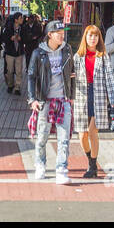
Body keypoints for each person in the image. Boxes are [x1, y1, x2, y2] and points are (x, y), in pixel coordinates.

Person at [26, 19, 74, 184]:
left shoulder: (67, 50)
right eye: (58, 34)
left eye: (63, 33)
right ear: (49, 35)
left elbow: (72, 74)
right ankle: (40, 164)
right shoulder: (39, 53)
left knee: (64, 138)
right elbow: (31, 76)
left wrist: (71, 96)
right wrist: (32, 99)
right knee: (42, 137)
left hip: (63, 100)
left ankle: (61, 168)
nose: (62, 36)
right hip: (44, 101)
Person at [66, 24, 113, 179]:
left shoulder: (103, 56)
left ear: (99, 38)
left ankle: (93, 167)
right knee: (82, 135)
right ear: (85, 38)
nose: (93, 39)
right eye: (90, 36)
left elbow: (110, 78)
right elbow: (70, 76)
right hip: (81, 95)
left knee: (93, 132)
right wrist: (70, 94)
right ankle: (90, 160)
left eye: (95, 36)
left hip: (98, 94)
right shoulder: (78, 57)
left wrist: (112, 99)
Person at [3, 15, 26, 93]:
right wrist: (10, 38)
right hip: (10, 52)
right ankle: (10, 85)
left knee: (19, 71)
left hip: (19, 52)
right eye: (20, 18)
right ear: (16, 20)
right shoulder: (8, 28)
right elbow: (3, 38)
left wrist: (21, 39)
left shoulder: (22, 28)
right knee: (10, 70)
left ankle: (17, 87)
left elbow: (26, 39)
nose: (22, 20)